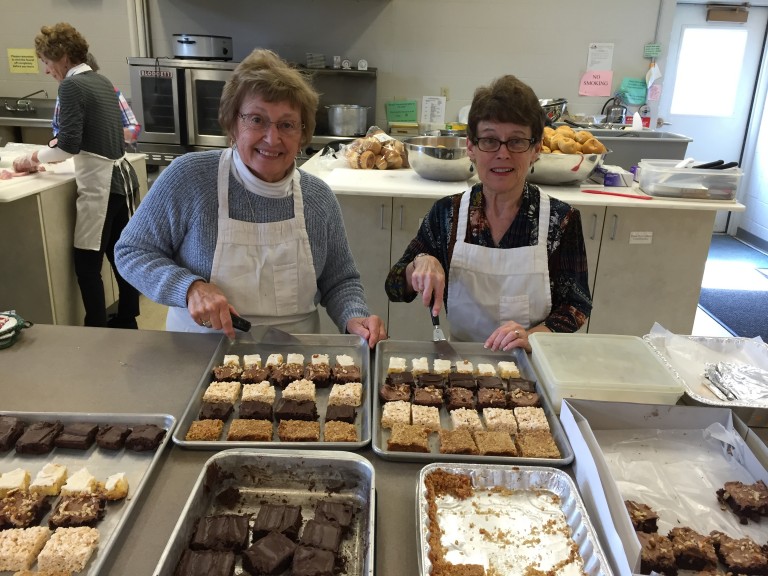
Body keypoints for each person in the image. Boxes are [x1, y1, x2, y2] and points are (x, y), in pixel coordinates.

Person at [114, 48, 387, 346]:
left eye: (286, 124)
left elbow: (340, 281)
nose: (272, 138)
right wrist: (190, 288)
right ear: (233, 124)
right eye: (257, 120)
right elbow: (132, 251)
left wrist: (354, 317)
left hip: (296, 366)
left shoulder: (316, 198)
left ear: (302, 134)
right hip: (200, 353)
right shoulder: (190, 178)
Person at [385, 74, 592, 352]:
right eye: (489, 140)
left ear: (536, 149)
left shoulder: (561, 220)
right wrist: (419, 265)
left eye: (517, 141)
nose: (502, 154)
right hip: (462, 365)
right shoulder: (448, 214)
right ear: (470, 147)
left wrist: (534, 336)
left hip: (532, 364)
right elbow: (394, 287)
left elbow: (577, 305)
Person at [13, 22, 141, 329]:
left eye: (46, 61)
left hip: (100, 186)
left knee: (86, 265)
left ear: (62, 56)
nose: (46, 70)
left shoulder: (71, 86)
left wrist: (30, 158)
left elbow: (67, 145)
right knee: (119, 256)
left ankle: (96, 327)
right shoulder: (101, 80)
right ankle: (126, 320)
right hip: (121, 179)